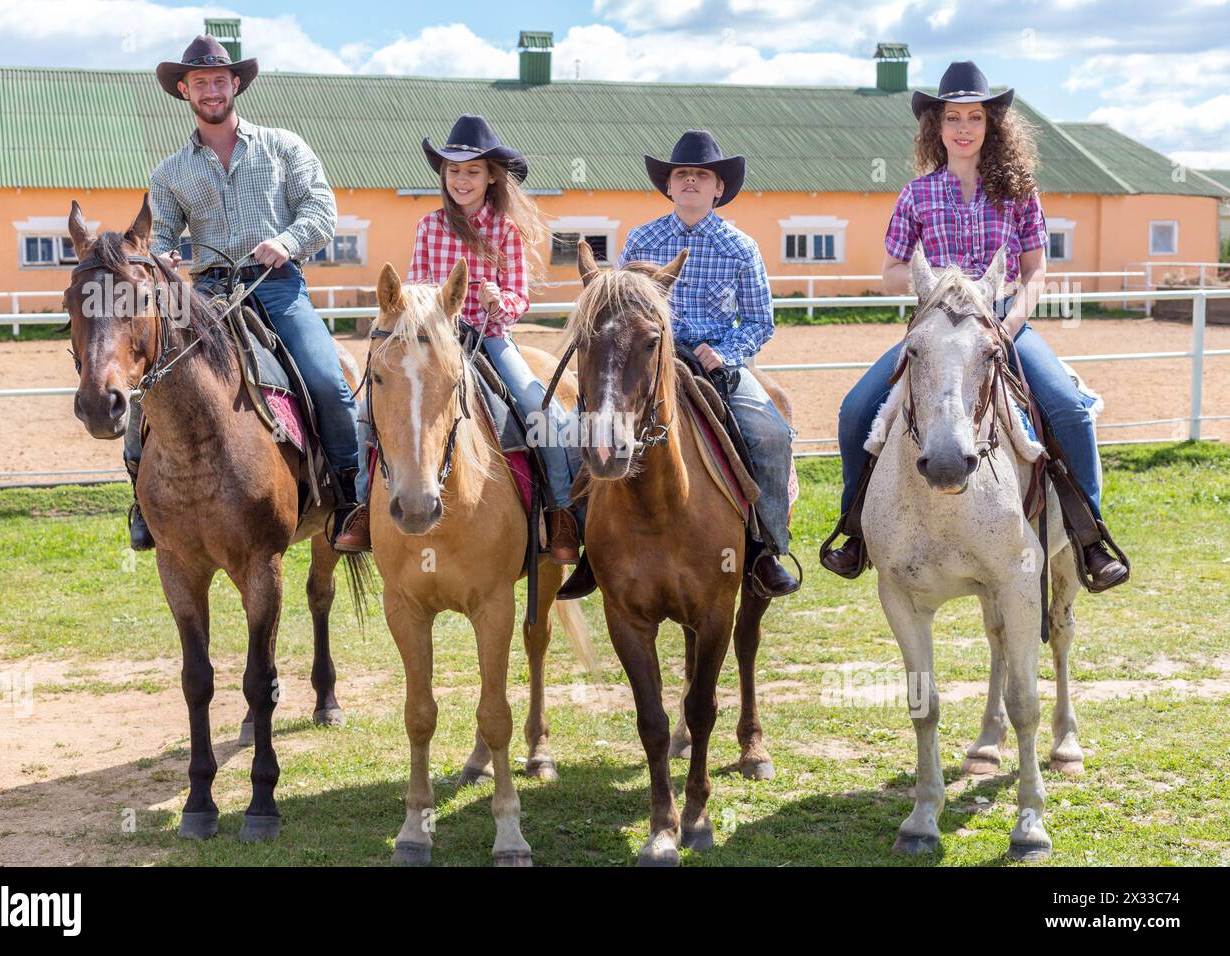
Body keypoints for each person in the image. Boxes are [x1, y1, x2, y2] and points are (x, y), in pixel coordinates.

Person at [820, 60, 1128, 591]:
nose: (963, 128)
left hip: (1002, 324)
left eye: (974, 118)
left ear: (991, 126)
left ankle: (1089, 535)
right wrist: (930, 285)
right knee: (853, 411)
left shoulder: (1019, 190)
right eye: (952, 118)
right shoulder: (917, 194)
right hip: (936, 333)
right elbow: (890, 272)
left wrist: (1009, 324)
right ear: (936, 127)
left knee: (1071, 411)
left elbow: (1036, 273)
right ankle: (856, 530)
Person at [119, 35, 361, 551]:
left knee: (327, 381)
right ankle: (143, 504)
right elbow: (160, 235)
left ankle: (349, 499)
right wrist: (163, 256)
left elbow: (321, 212)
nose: (211, 90)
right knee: (147, 387)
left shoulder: (283, 146)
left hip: (276, 286)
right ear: (184, 90)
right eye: (199, 82)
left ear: (235, 85)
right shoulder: (168, 173)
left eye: (219, 80)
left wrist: (287, 240)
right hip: (206, 296)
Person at [333, 115, 583, 560]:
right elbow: (411, 290)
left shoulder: (506, 229)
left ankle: (560, 512)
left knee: (540, 411)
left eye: (472, 171)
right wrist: (421, 310)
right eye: (453, 171)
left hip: (490, 338)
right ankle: (360, 505)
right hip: (433, 342)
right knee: (366, 411)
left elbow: (519, 297)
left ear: (491, 177)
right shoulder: (431, 226)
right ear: (443, 176)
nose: (461, 180)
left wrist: (496, 302)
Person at [615, 129, 801, 598]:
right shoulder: (641, 240)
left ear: (719, 188)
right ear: (670, 186)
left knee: (771, 434)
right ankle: (587, 542)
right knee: (594, 421)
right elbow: (617, 306)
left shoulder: (741, 247)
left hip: (717, 365)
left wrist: (726, 352)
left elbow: (760, 321)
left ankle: (765, 548)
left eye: (702, 176)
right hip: (651, 360)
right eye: (682, 175)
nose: (691, 182)